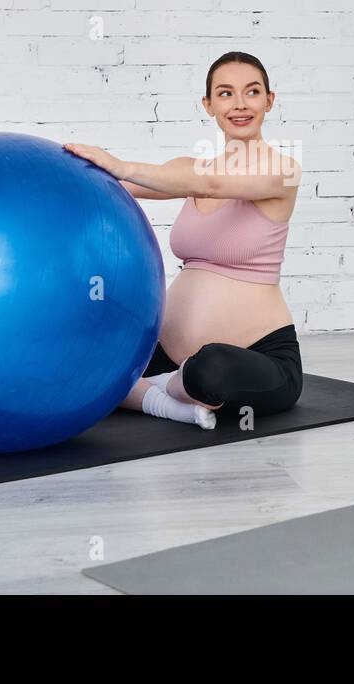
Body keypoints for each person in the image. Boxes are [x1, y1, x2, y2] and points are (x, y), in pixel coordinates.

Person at [64, 51, 303, 430]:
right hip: (165, 353)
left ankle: (158, 390)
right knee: (86, 368)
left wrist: (122, 164)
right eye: (225, 94)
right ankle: (170, 401)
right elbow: (116, 189)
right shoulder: (187, 170)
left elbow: (210, 184)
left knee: (213, 369)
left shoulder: (283, 172)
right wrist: (60, 176)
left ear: (269, 100)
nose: (240, 104)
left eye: (252, 92)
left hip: (256, 357)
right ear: (208, 105)